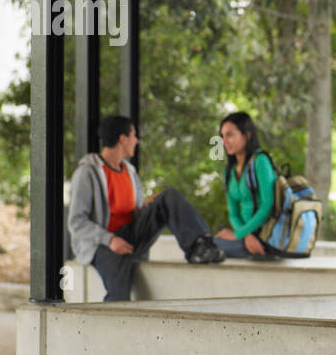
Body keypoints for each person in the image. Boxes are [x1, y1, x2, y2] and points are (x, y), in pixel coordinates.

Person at [68, 114, 224, 302]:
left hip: (131, 235)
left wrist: (145, 208)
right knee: (119, 295)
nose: (137, 141)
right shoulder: (87, 173)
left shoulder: (130, 172)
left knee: (169, 196)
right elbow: (76, 222)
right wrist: (110, 240)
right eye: (134, 135)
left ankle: (200, 248)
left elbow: (131, 212)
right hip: (103, 244)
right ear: (122, 139)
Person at [213, 111, 277, 259]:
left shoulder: (260, 161)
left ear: (247, 135)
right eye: (222, 136)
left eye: (230, 135)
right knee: (207, 244)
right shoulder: (229, 171)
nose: (224, 141)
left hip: (266, 236)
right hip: (248, 237)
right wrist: (245, 235)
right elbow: (233, 213)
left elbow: (268, 206)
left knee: (209, 246)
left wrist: (238, 234)